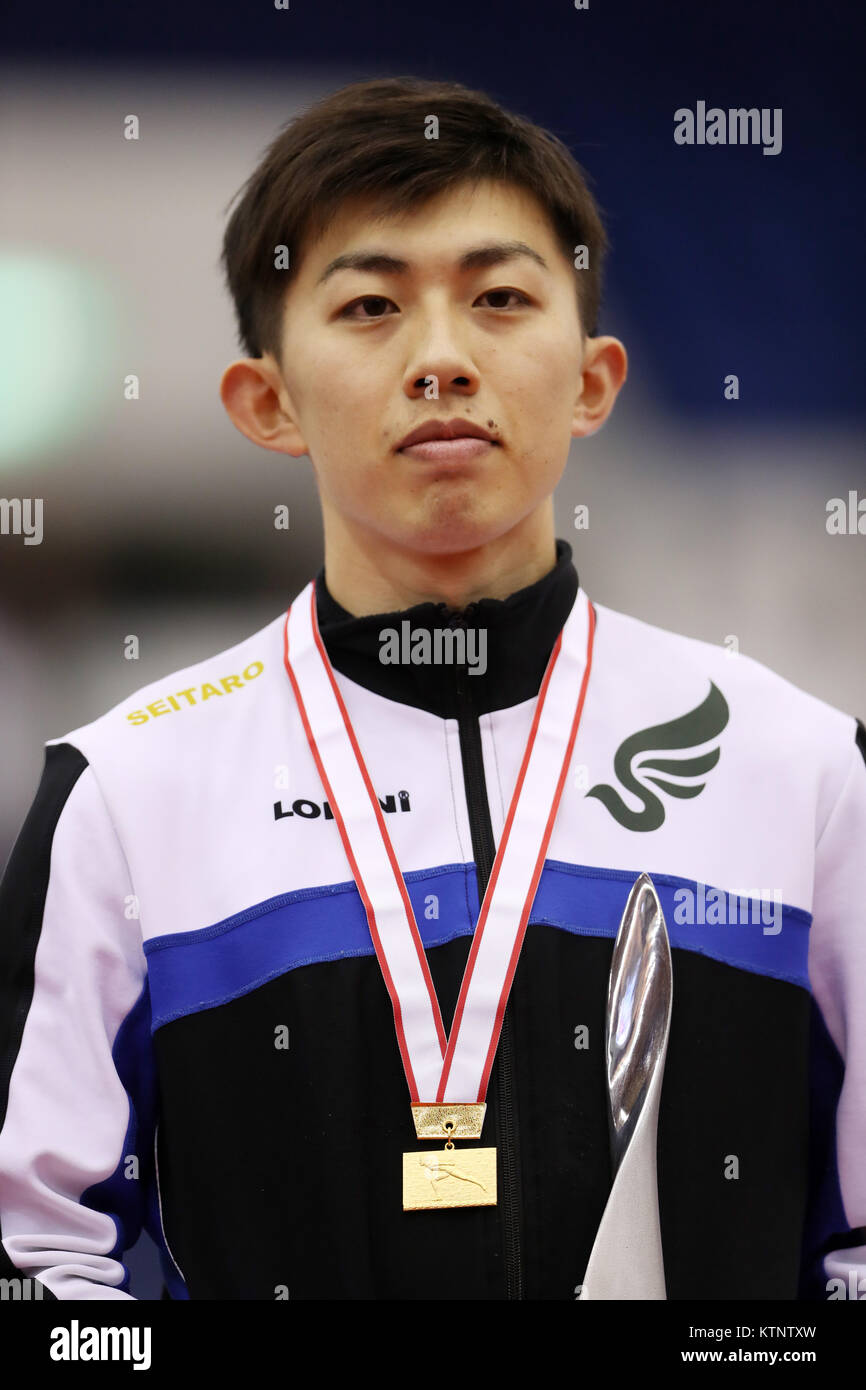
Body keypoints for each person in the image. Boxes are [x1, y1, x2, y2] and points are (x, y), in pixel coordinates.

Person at [0, 76, 863, 1302]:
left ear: (593, 380)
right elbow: (34, 1267)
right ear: (267, 401)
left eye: (500, 298)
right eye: (368, 305)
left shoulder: (802, 770)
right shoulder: (126, 793)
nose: (442, 359)